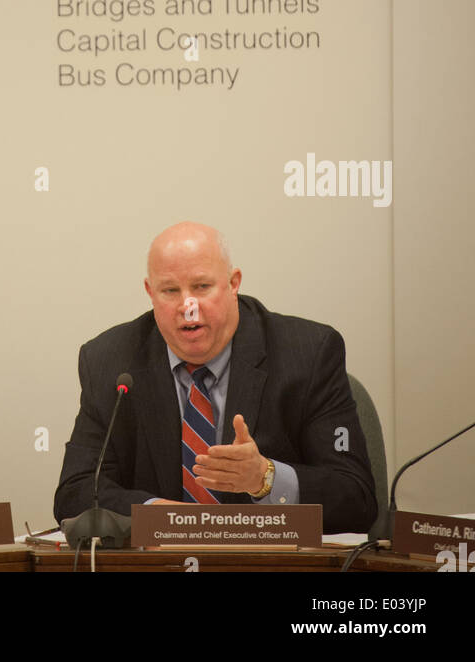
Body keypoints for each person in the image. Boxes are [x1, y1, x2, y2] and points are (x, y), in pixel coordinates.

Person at [54, 222, 377, 534]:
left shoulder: (308, 354)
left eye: (201, 287)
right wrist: (162, 516)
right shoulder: (110, 362)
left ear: (234, 283)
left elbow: (356, 500)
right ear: (150, 293)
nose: (188, 306)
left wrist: (265, 478)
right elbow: (76, 491)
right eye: (170, 291)